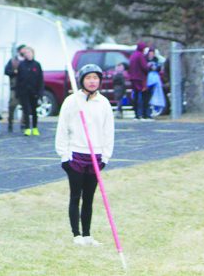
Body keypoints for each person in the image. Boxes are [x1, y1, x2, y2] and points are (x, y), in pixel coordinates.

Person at [55, 63, 115, 247]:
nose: (92, 81)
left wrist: (105, 156)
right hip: (76, 156)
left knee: (89, 197)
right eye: (88, 78)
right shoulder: (72, 101)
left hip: (95, 157)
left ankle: (88, 234)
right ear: (82, 80)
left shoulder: (103, 103)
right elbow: (62, 129)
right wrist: (64, 156)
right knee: (76, 196)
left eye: (95, 78)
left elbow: (108, 131)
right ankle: (77, 235)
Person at [15, 46, 45, 136]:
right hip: (24, 91)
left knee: (34, 110)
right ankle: (27, 128)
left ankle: (35, 127)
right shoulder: (21, 65)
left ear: (33, 53)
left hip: (34, 91)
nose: (28, 54)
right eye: (26, 53)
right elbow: (18, 79)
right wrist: (18, 92)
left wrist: (40, 92)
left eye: (29, 52)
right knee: (26, 110)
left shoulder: (37, 65)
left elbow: (40, 79)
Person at [127, 41, 152, 120]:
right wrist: (149, 68)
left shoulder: (133, 55)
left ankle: (137, 115)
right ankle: (143, 114)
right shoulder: (140, 56)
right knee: (143, 97)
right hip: (140, 79)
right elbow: (144, 67)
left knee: (136, 96)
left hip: (133, 78)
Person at [4, 43, 25, 132]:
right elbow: (6, 71)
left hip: (24, 87)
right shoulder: (13, 61)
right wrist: (14, 72)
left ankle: (23, 123)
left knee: (25, 107)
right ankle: (10, 123)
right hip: (14, 87)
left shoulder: (27, 61)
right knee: (12, 106)